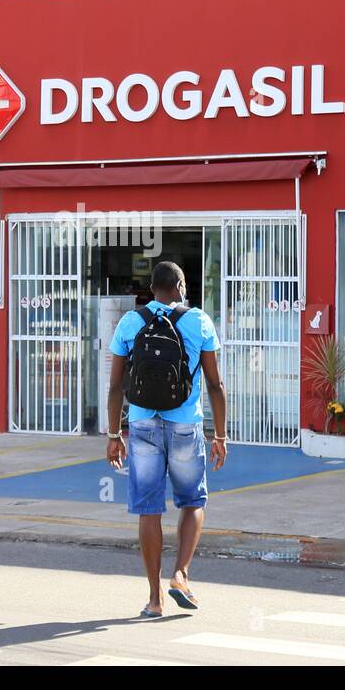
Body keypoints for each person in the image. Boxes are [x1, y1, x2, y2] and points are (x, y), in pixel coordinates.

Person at [106, 261, 227, 618]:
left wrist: (115, 435)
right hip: (185, 426)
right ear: (178, 286)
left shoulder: (130, 322)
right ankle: (180, 575)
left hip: (142, 427)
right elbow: (215, 385)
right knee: (192, 501)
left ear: (152, 288)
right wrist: (220, 435)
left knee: (149, 510)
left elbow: (115, 387)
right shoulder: (198, 320)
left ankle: (154, 599)